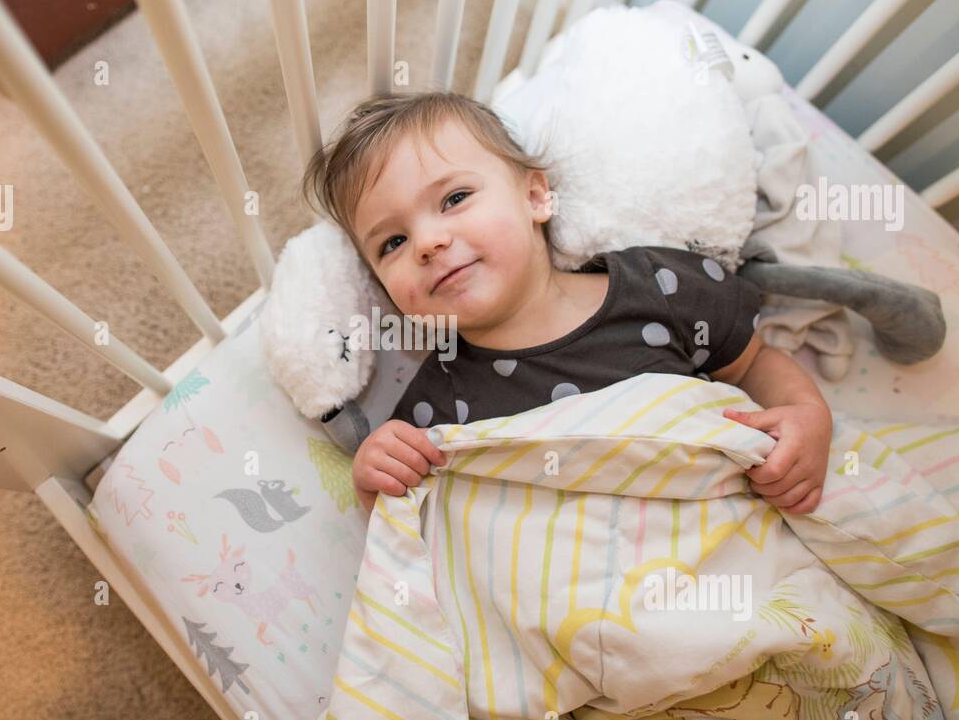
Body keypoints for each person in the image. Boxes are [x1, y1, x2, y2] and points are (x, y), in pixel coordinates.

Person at [301, 92, 832, 516]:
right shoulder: (437, 408)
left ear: (535, 197)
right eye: (392, 243)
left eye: (454, 199)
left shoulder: (659, 287)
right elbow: (412, 514)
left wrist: (808, 417)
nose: (428, 243)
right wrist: (373, 478)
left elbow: (755, 361)